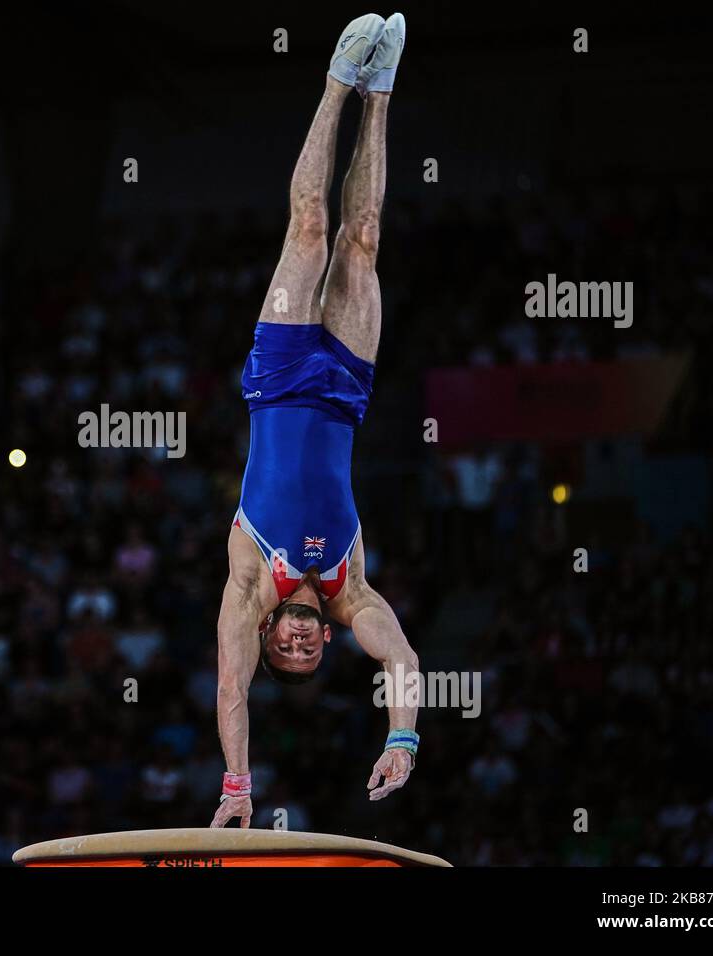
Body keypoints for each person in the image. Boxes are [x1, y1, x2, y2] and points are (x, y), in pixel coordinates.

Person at [212, 12, 421, 829]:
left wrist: (238, 784)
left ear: (270, 637)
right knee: (362, 239)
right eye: (307, 656)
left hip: (276, 380)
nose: (296, 648)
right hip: (344, 393)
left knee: (310, 226)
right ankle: (381, 92)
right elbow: (401, 658)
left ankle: (336, 81)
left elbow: (231, 686)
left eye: (283, 654)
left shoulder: (246, 587)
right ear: (325, 644)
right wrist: (402, 734)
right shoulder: (352, 594)